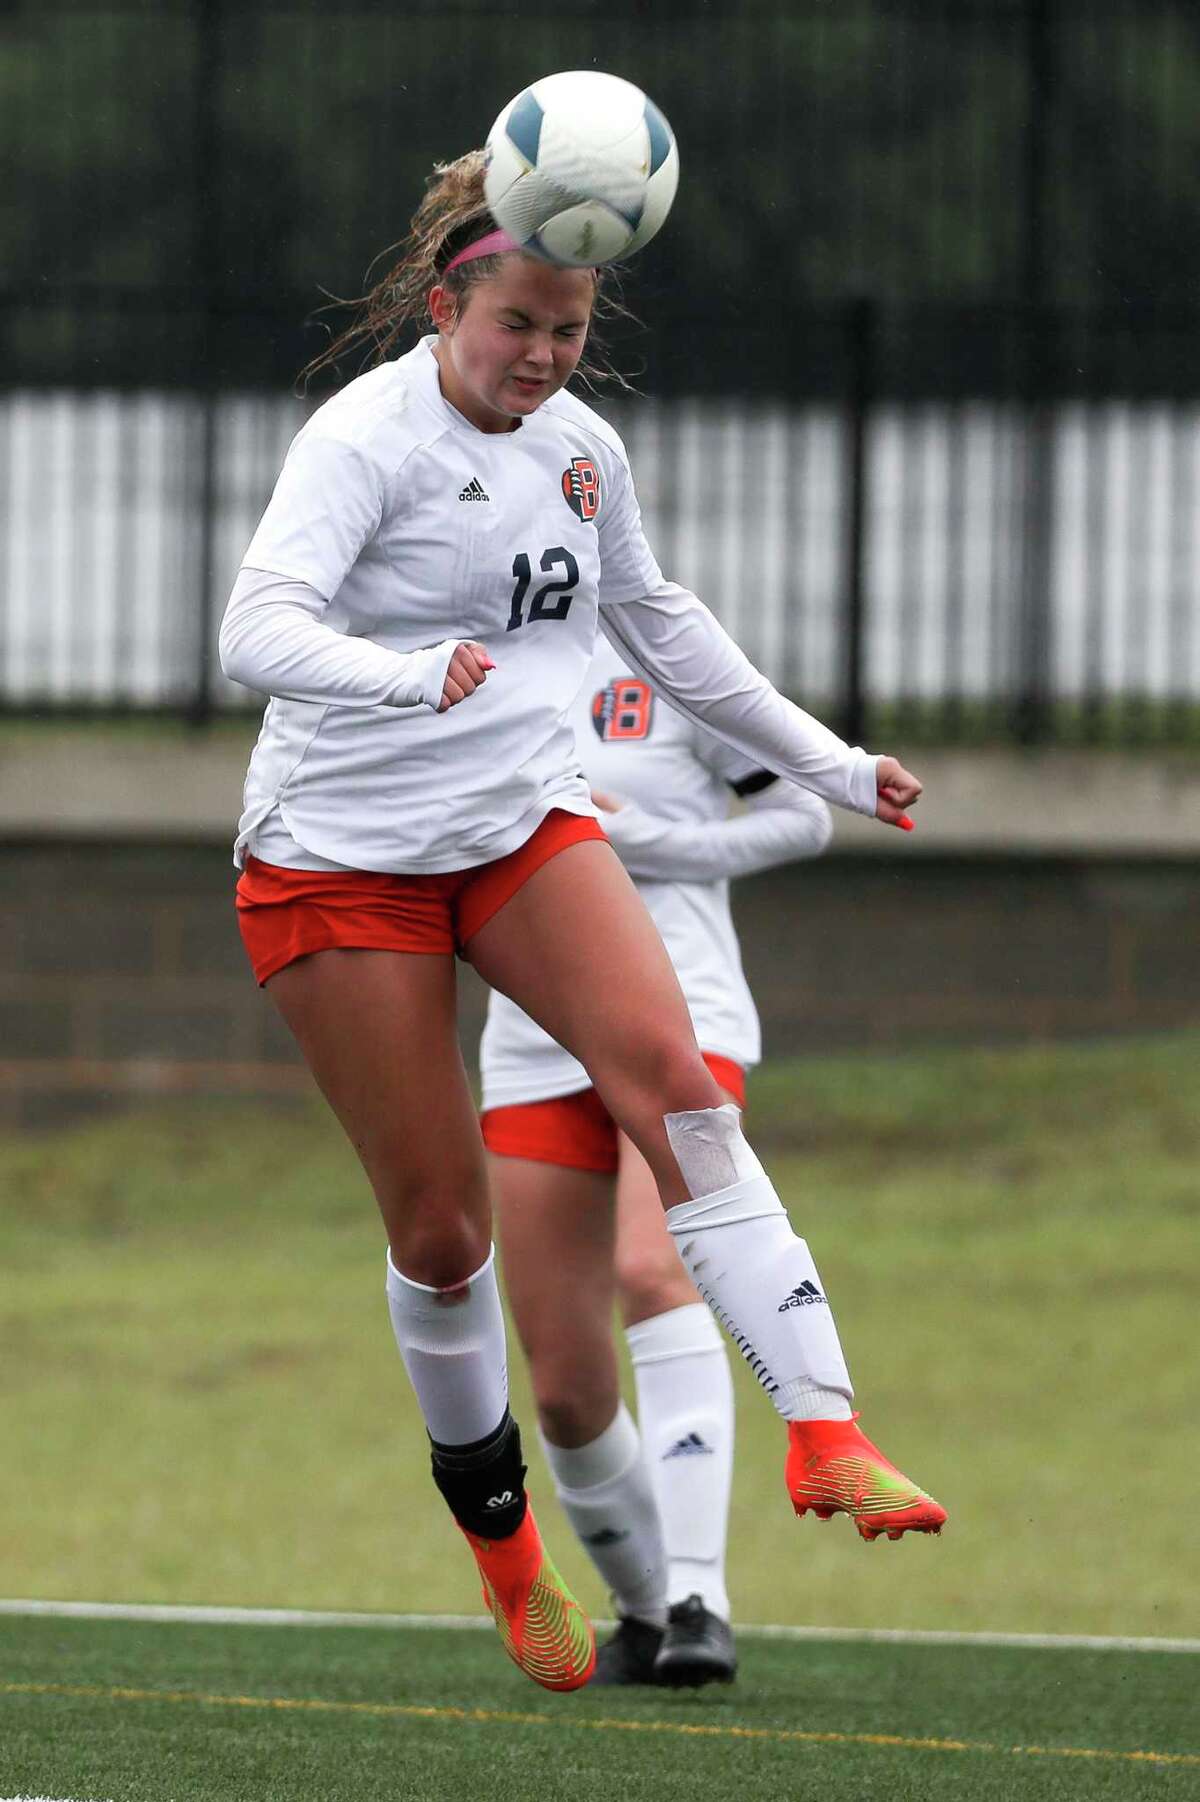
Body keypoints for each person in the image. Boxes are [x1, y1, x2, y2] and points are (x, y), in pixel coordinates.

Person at [218, 148, 945, 1696]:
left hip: (516, 827)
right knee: (441, 1233)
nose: (542, 356)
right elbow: (254, 627)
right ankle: (508, 1554)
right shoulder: (364, 437)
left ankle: (829, 1431)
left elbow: (661, 620)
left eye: (568, 328)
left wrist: (833, 762)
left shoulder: (581, 448)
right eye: (517, 327)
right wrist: (407, 675)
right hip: (341, 855)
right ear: (447, 308)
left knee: (682, 1093)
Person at [480, 638, 836, 1686]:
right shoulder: (464, 666)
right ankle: (643, 1614)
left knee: (653, 1267)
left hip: (687, 1021)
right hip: (532, 1037)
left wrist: (641, 845)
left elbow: (807, 813)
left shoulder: (673, 660)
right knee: (564, 1386)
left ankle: (699, 1597)